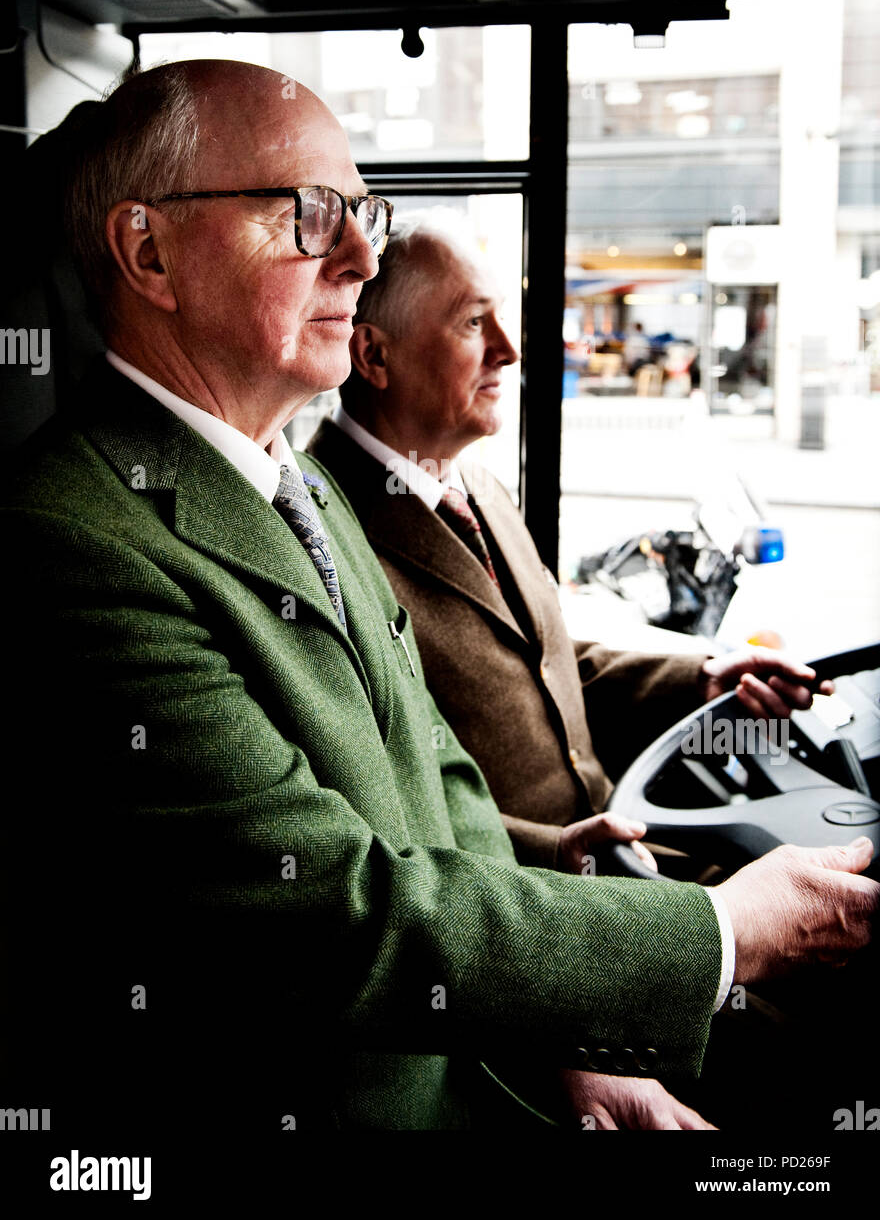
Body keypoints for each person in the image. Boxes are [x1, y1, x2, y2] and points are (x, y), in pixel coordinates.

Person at [2, 63, 874, 1139]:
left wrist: (561, 1048)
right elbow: (330, 914)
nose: (362, 256)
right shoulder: (68, 542)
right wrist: (717, 931)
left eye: (365, 215)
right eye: (310, 214)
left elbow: (439, 779)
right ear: (149, 253)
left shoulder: (296, 477)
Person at [308, 217, 828, 875]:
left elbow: (544, 669)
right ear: (373, 356)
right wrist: (556, 850)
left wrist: (698, 680)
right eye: (472, 324)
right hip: (530, 900)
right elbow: (372, 802)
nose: (509, 350)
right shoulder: (324, 533)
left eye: (500, 319)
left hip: (624, 846)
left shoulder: (474, 481)